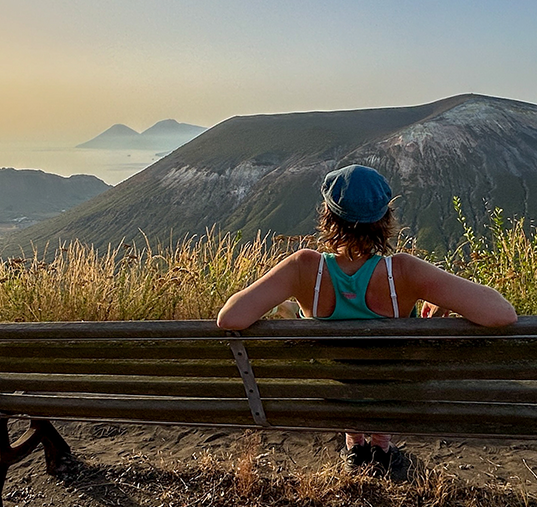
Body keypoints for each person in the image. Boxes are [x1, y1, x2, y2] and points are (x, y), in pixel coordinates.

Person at [216, 164, 517, 473]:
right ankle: (381, 447)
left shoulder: (304, 269)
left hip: (337, 397)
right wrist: (435, 310)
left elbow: (230, 318)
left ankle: (355, 446)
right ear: (384, 220)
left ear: (329, 217)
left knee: (348, 375)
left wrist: (293, 311)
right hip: (394, 396)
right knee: (386, 372)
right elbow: (501, 313)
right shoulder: (402, 272)